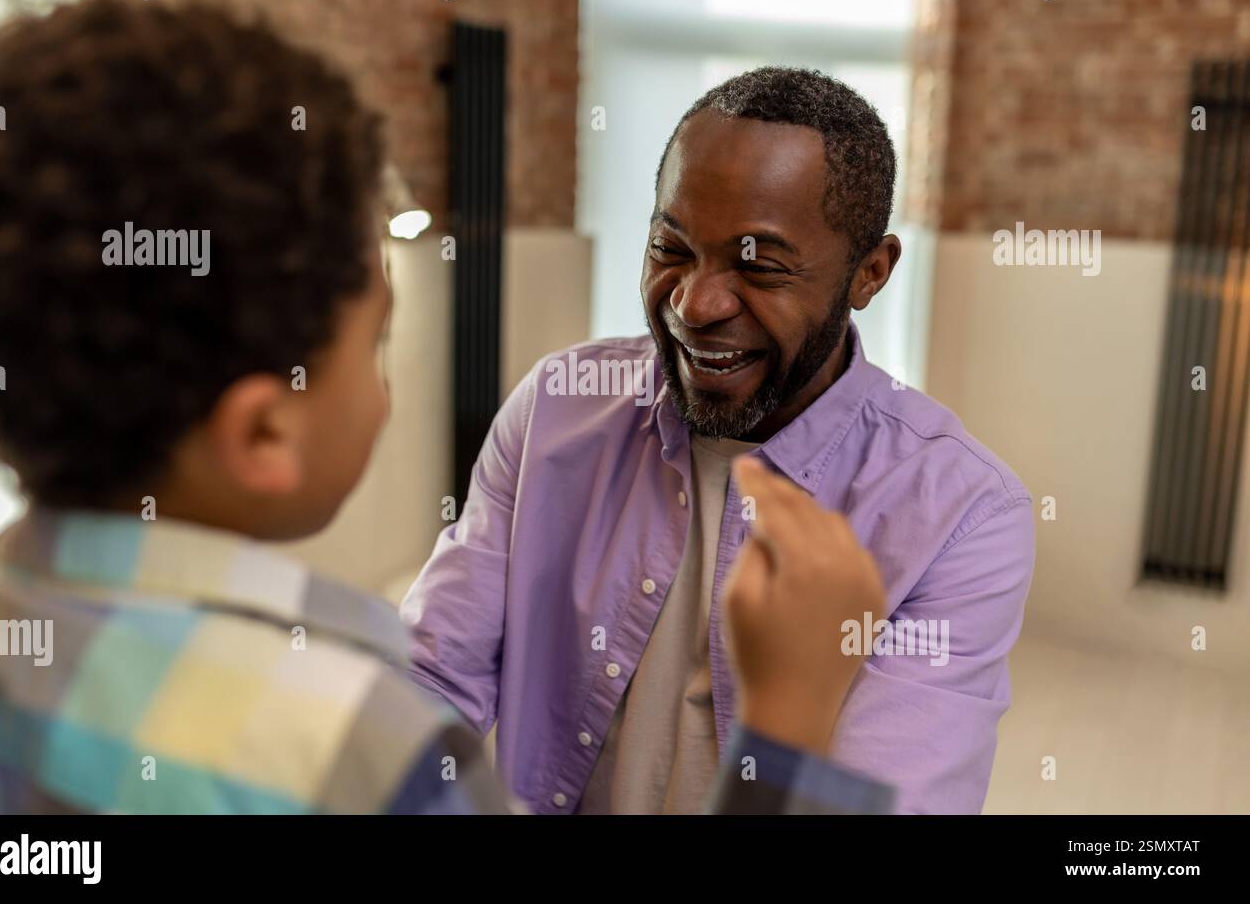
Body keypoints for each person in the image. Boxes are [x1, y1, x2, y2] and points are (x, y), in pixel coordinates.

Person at [0, 0, 891, 814]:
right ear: (265, 430)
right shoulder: (357, 741)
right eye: (376, 340)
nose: (697, 302)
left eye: (758, 263)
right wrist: (790, 740)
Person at [402, 66, 1037, 815]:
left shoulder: (959, 514)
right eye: (670, 248)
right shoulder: (556, 410)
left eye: (757, 265)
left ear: (870, 272)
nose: (694, 305)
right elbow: (432, 681)